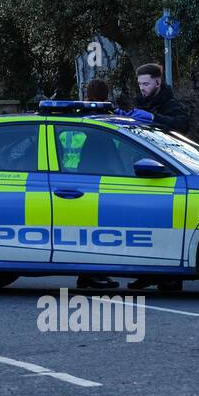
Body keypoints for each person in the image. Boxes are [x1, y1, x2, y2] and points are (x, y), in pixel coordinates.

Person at [124, 63, 187, 291]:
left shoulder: (171, 103)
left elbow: (181, 125)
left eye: (146, 84)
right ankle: (146, 274)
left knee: (166, 225)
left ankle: (170, 277)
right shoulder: (140, 101)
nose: (142, 88)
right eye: (140, 84)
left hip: (167, 169)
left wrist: (153, 117)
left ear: (158, 82)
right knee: (144, 226)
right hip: (143, 168)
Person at [74, 78, 120, 291]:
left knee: (89, 230)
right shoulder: (102, 123)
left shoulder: (82, 118)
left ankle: (92, 274)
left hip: (77, 182)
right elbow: (110, 161)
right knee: (95, 230)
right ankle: (91, 275)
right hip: (90, 186)